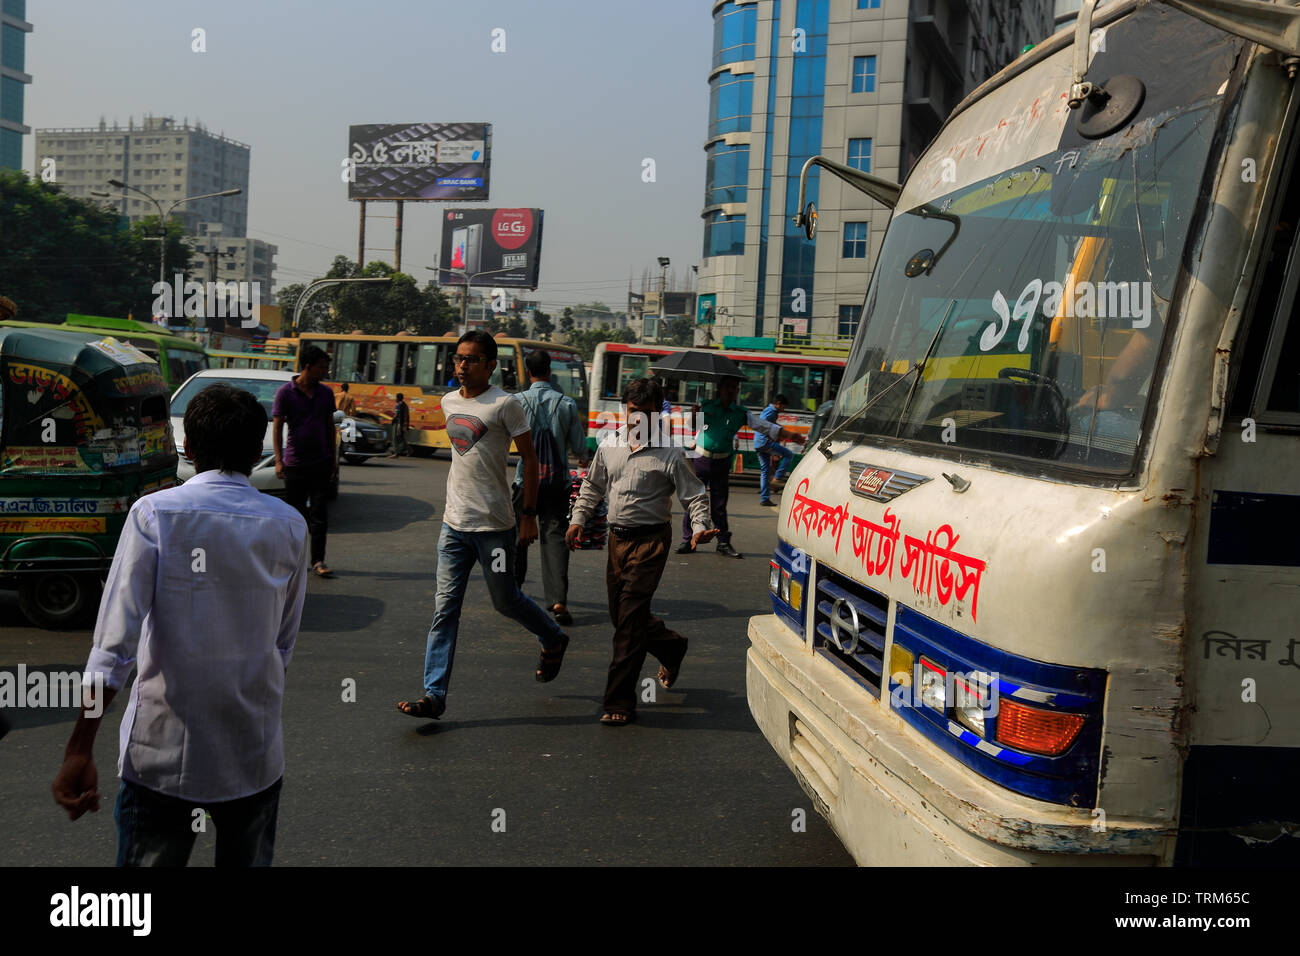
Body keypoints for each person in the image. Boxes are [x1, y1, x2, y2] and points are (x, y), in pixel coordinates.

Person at [51, 384, 309, 866]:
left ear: (187, 448)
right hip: (251, 755)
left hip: (160, 757)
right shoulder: (290, 525)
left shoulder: (155, 514)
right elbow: (282, 646)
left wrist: (78, 749)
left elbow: (113, 648)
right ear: (257, 452)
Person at [396, 331, 570, 721]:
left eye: (471, 359)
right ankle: (434, 694)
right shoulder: (448, 401)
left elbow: (530, 460)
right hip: (453, 527)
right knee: (444, 609)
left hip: (494, 529)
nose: (461, 365)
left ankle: (553, 637)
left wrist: (528, 515)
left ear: (491, 365)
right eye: (458, 358)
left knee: (505, 600)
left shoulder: (505, 405)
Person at [568, 377, 717, 726]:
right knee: (621, 617)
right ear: (625, 410)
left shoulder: (671, 453)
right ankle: (671, 647)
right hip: (616, 541)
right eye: (634, 412)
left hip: (651, 543)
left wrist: (699, 529)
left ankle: (619, 701)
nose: (638, 420)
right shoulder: (610, 445)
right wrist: (578, 519)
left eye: (647, 414)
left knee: (629, 622)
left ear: (657, 416)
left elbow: (694, 496)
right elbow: (592, 485)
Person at [680, 376, 805, 558]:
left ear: (737, 391)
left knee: (719, 505)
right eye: (728, 387)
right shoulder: (706, 406)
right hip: (701, 459)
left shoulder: (740, 412)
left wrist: (791, 435)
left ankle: (723, 542)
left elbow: (763, 426)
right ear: (720, 389)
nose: (731, 390)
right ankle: (687, 540)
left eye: (734, 388)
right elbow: (692, 426)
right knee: (694, 501)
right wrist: (693, 413)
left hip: (722, 462)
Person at [512, 350, 588, 625]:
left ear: (528, 372)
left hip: (525, 481)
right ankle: (558, 600)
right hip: (558, 482)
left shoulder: (517, 402)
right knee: (555, 537)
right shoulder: (566, 404)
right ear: (549, 371)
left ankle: (512, 590)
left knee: (518, 535)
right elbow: (579, 447)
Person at [273, 345, 338, 578]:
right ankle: (291, 561)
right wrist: (279, 461)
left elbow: (330, 426)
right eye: (322, 367)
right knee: (294, 515)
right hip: (296, 463)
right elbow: (278, 426)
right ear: (308, 366)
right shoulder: (285, 392)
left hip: (321, 461)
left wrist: (333, 459)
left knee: (320, 515)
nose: (325, 371)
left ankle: (318, 560)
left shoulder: (326, 393)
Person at [755, 393, 796, 507]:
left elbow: (770, 424)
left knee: (765, 471)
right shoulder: (771, 411)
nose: (783, 410)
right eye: (783, 407)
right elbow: (764, 423)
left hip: (758, 443)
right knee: (788, 454)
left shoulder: (769, 411)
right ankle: (778, 477)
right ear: (778, 404)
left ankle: (765, 498)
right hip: (765, 442)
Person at [387, 392, 411, 457]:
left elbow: (396, 415)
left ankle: (396, 453)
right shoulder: (404, 404)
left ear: (397, 398)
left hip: (398, 423)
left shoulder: (398, 405)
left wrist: (392, 421)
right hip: (403, 424)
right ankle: (409, 450)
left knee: (394, 437)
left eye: (396, 398)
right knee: (401, 437)